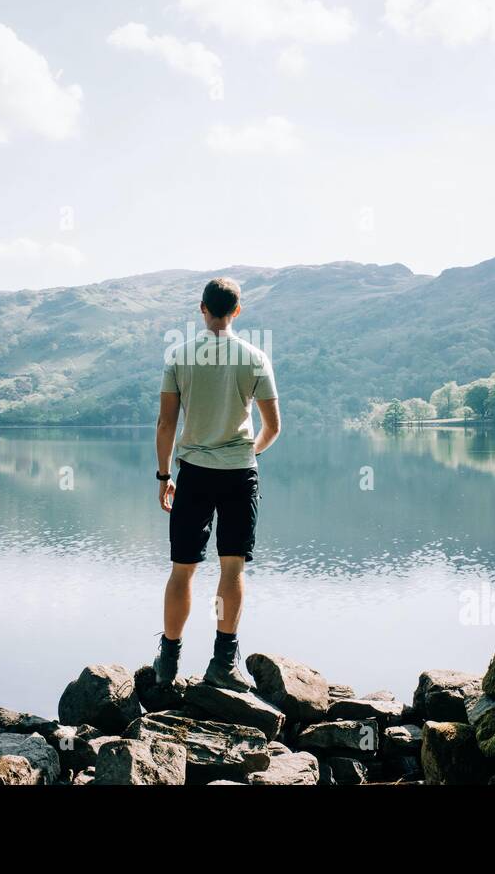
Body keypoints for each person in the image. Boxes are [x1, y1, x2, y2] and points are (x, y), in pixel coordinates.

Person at [151, 277, 280, 691]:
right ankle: (222, 662)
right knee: (232, 566)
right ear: (237, 310)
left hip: (193, 473)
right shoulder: (255, 357)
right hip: (239, 473)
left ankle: (168, 662)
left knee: (182, 569)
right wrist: (249, 454)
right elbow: (273, 427)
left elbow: (166, 423)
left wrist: (164, 475)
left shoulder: (179, 356)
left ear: (202, 308)